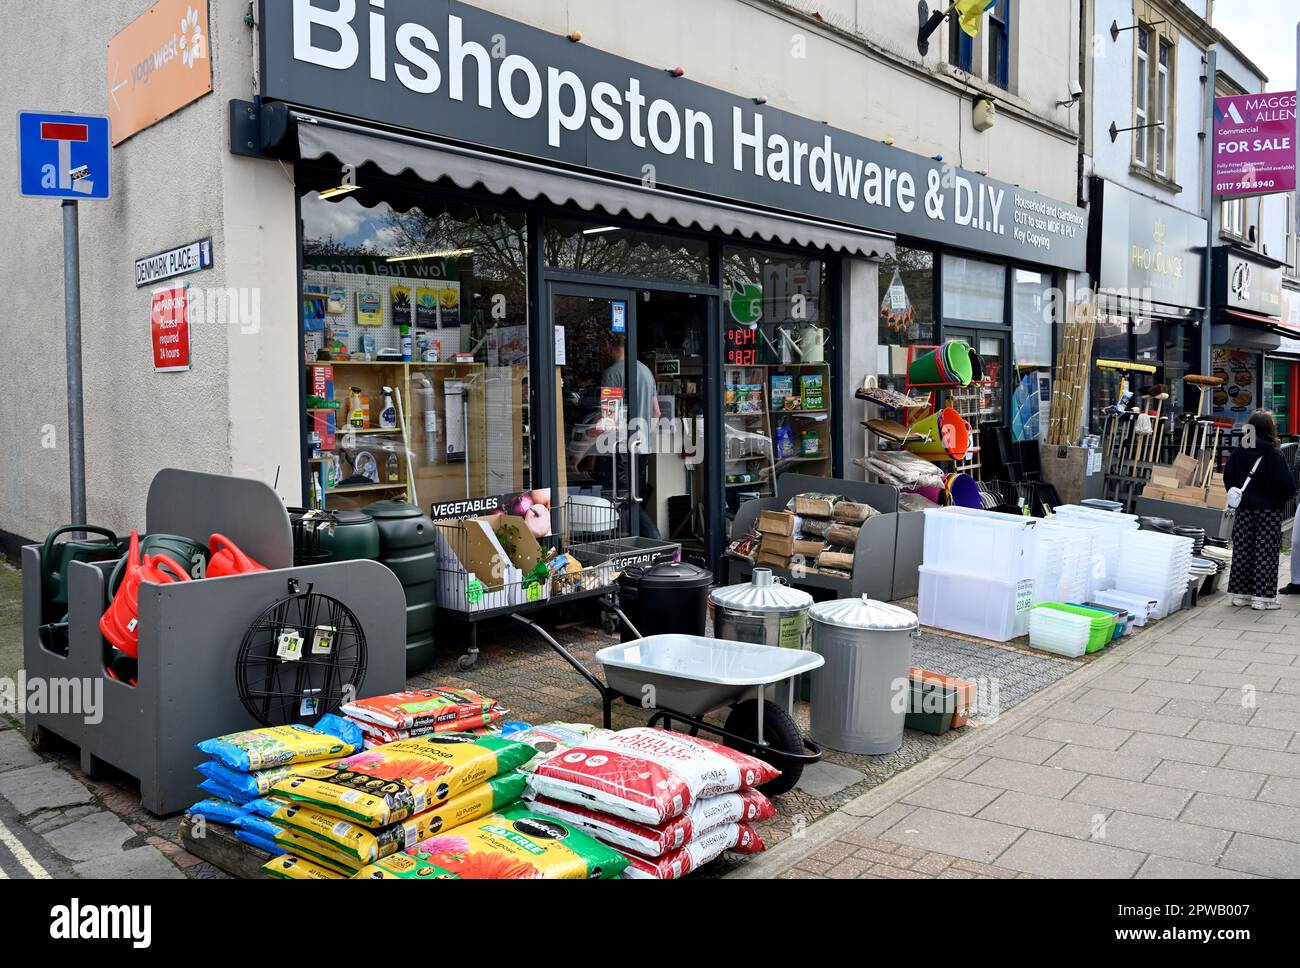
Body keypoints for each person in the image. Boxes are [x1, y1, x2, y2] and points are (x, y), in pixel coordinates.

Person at [1223, 410, 1296, 610]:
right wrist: (1277, 498)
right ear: (1270, 430)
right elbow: (1288, 487)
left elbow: (1228, 478)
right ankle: (1262, 598)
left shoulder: (1239, 451)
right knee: (1266, 552)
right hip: (1269, 511)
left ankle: (1240, 595)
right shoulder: (1274, 454)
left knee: (1243, 551)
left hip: (1244, 509)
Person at [597, 343, 662, 539]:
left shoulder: (612, 373)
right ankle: (643, 542)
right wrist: (642, 434)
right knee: (633, 500)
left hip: (621, 449)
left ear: (612, 347)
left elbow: (609, 417)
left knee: (621, 501)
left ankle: (651, 538)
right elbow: (656, 412)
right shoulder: (645, 371)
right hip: (642, 448)